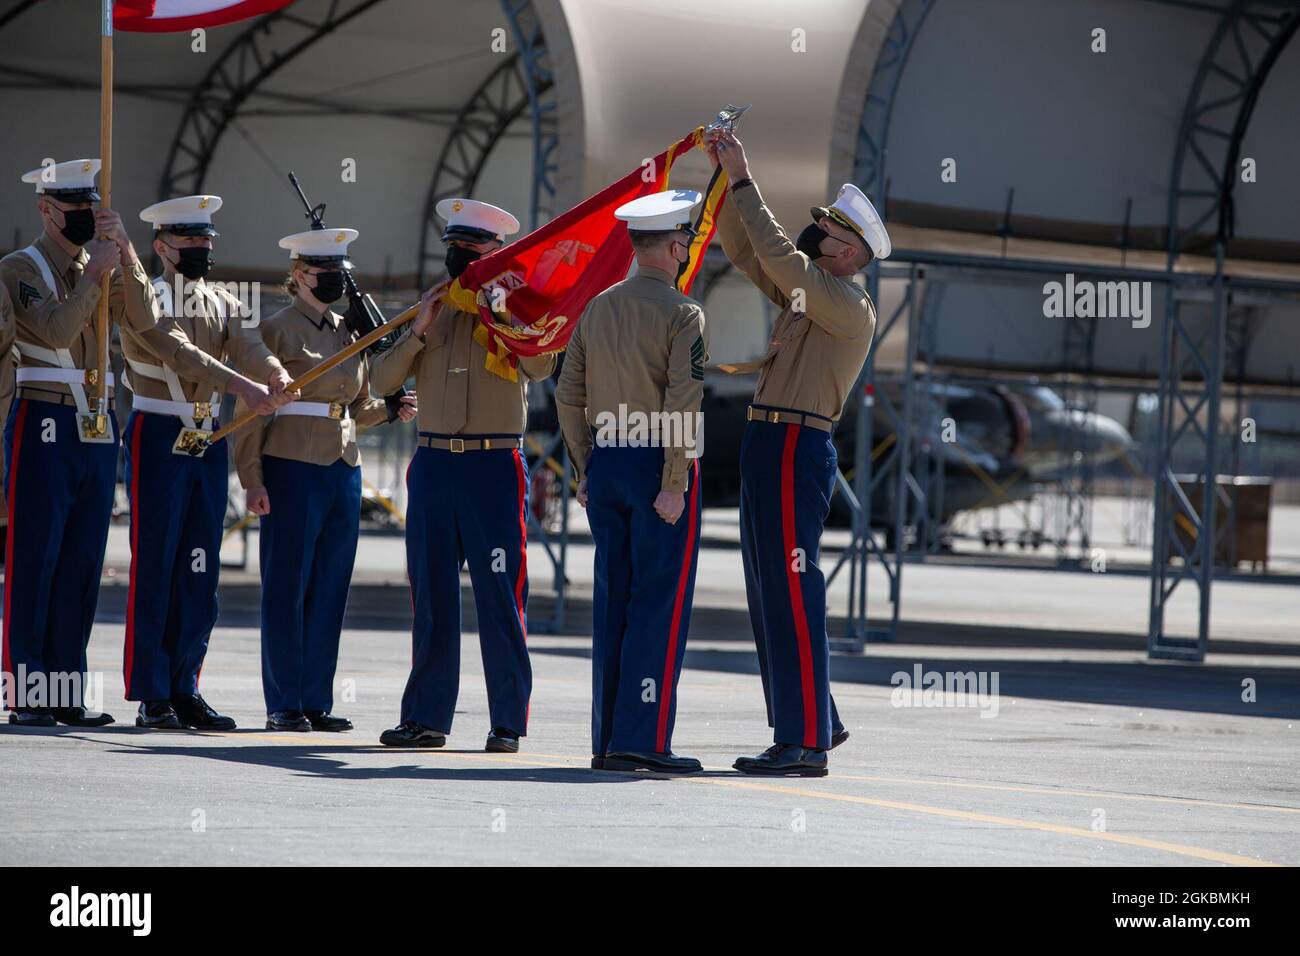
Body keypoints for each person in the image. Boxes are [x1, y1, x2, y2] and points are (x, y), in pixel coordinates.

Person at [706, 129, 888, 777]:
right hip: (771, 442)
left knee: (789, 589)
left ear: (847, 250)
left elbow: (781, 259)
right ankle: (816, 720)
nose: (814, 235)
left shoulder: (845, 303)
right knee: (769, 593)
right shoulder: (817, 296)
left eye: (825, 231)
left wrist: (747, 177)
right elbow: (749, 251)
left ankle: (803, 740)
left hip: (794, 443)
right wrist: (723, 189)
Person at [374, 198, 551, 753]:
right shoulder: (433, 307)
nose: (461, 261)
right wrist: (419, 332)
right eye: (455, 250)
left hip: (492, 465)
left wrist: (501, 313)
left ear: (496, 256)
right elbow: (381, 378)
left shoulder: (521, 307)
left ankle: (506, 721)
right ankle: (426, 718)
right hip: (434, 463)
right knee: (431, 594)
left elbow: (543, 363)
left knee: (500, 594)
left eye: (473, 253)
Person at [232, 227, 416, 732]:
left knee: (330, 589)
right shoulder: (277, 329)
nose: (334, 279)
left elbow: (354, 406)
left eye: (340, 271)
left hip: (343, 468)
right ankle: (283, 702)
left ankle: (316, 698)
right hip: (292, 466)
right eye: (324, 271)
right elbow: (250, 411)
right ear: (299, 275)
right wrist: (251, 478)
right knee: (287, 586)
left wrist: (391, 409)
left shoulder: (348, 330)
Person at [122, 194, 293, 731]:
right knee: (157, 560)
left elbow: (246, 343)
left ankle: (185, 684)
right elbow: (177, 351)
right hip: (160, 427)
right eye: (189, 240)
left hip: (208, 433)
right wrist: (243, 383)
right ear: (161, 246)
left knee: (200, 565)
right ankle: (152, 693)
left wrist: (273, 373)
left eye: (206, 240)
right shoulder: (143, 296)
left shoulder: (223, 299)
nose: (201, 248)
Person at [555, 189, 708, 774]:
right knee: (659, 606)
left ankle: (610, 740)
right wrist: (674, 480)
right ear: (674, 246)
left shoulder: (598, 307)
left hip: (609, 461)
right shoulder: (683, 314)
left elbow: (569, 394)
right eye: (686, 242)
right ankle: (643, 738)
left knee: (613, 602)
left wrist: (583, 466)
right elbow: (683, 401)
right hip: (654, 466)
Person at [2, 159, 158, 726]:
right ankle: (27, 691)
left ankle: (65, 690)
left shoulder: (106, 264)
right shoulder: (21, 267)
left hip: (97, 422)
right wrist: (95, 277)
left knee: (82, 563)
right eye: (74, 211)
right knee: (35, 558)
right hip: (44, 418)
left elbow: (147, 321)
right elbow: (55, 330)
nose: (84, 220)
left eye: (92, 210)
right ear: (46, 210)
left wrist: (130, 258)